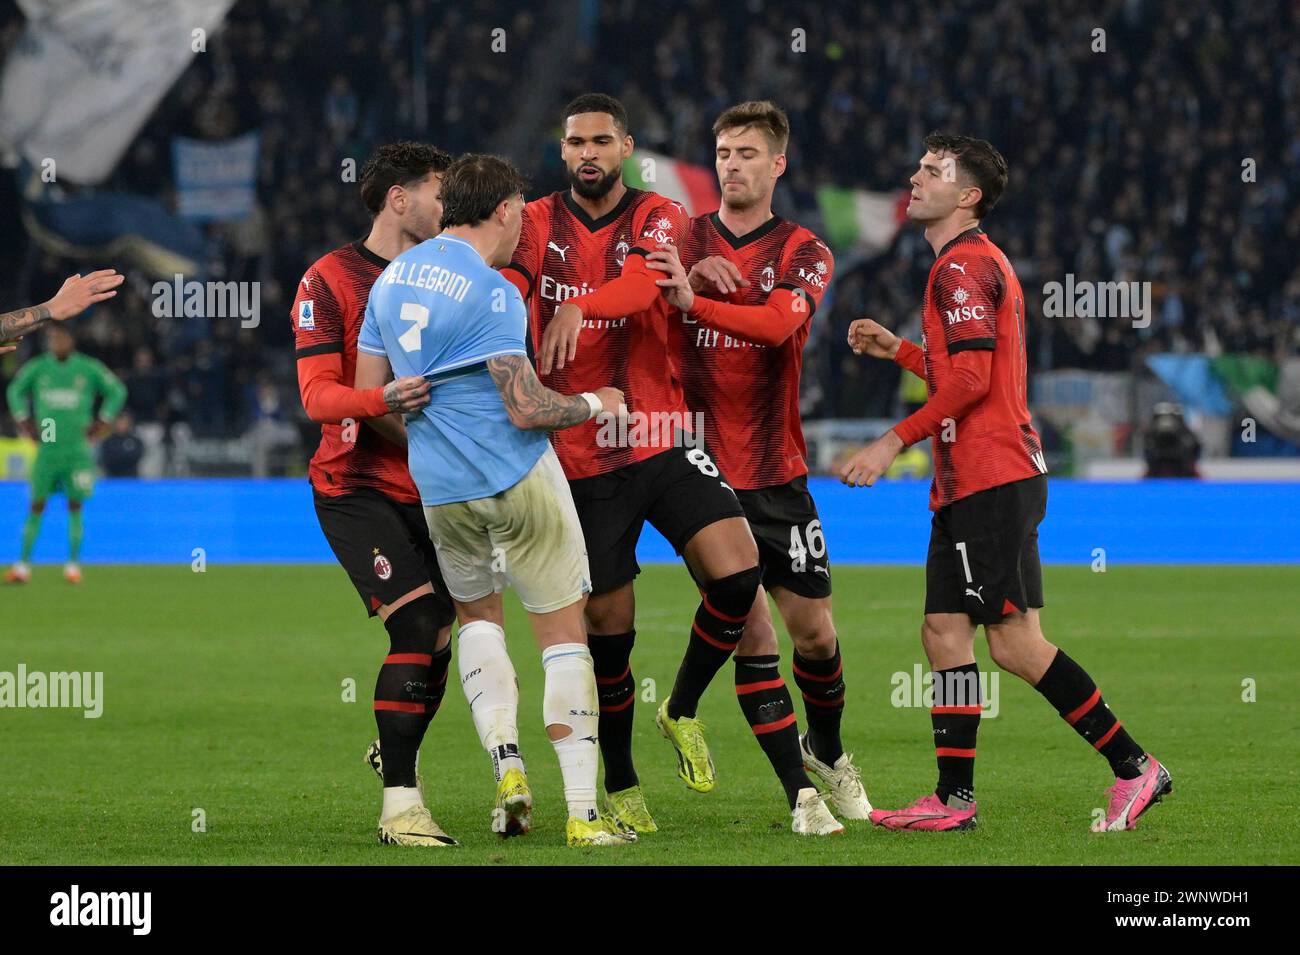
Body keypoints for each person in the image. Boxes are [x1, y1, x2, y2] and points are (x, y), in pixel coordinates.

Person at [842, 133, 1171, 832]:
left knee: (1013, 644)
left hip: (990, 478)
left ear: (968, 196)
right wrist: (898, 348)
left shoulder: (960, 269)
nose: (915, 177)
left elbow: (970, 381)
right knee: (945, 632)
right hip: (983, 479)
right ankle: (954, 799)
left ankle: (1134, 766)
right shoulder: (969, 264)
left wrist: (889, 441)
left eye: (934, 171)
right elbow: (967, 372)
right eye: (919, 166)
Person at [358, 153, 632, 847]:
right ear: (505, 210)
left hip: (443, 490)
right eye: (520, 215)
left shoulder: (388, 282)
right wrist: (597, 401)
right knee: (564, 638)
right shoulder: (493, 288)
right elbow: (526, 406)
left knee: (479, 621)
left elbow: (372, 396)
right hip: (517, 479)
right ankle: (583, 814)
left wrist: (432, 435)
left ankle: (507, 764)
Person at [648, 100, 867, 829]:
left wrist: (700, 300)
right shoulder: (677, 236)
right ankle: (800, 798)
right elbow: (640, 307)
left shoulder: (805, 249)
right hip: (703, 475)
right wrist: (674, 287)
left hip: (779, 469)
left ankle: (829, 753)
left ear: (777, 163)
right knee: (756, 634)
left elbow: (778, 324)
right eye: (723, 153)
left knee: (817, 634)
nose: (732, 165)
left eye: (747, 153)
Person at [290, 142, 461, 847]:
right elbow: (316, 397)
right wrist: (379, 398)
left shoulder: (449, 277)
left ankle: (394, 752)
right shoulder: (328, 280)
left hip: (430, 484)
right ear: (400, 198)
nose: (447, 208)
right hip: (353, 483)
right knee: (418, 624)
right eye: (436, 193)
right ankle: (400, 805)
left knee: (446, 632)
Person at [6, 314, 126, 585]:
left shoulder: (87, 368)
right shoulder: (39, 368)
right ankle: (22, 567)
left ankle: (73, 566)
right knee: (36, 505)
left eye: (59, 337)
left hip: (76, 450)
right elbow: (15, 391)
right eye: (51, 338)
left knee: (75, 506)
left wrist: (104, 420)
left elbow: (117, 391)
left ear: (71, 339)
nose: (55, 341)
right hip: (47, 448)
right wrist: (24, 419)